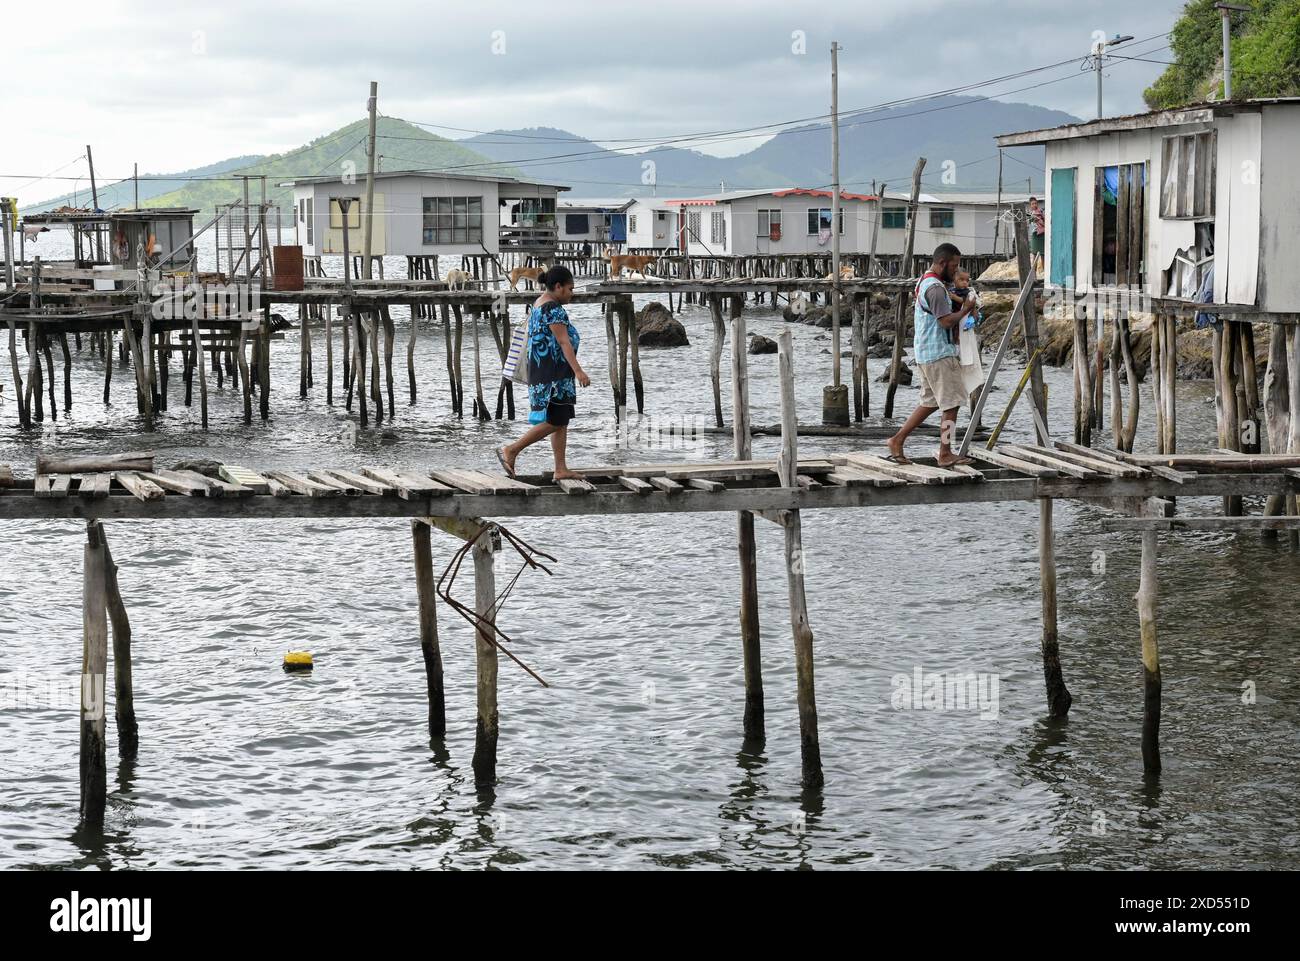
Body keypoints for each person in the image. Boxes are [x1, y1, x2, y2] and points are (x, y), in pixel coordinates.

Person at [886, 243, 980, 467]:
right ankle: (946, 452)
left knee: (930, 402)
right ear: (942, 263)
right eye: (954, 266)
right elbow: (945, 321)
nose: (956, 271)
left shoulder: (926, 281)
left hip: (926, 352)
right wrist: (966, 309)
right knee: (952, 404)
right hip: (939, 354)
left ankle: (897, 440)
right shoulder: (935, 288)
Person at [498, 265, 591, 481]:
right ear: (558, 287)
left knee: (561, 418)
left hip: (548, 371)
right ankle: (512, 449)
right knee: (556, 420)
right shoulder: (553, 309)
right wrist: (579, 371)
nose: (572, 293)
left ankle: (560, 468)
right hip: (554, 375)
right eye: (570, 289)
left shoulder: (540, 303)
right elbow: (563, 341)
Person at [950, 268, 985, 428]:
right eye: (961, 280)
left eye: (967, 280)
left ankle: (972, 422)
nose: (965, 283)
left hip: (965, 326)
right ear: (954, 280)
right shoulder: (949, 291)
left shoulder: (968, 292)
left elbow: (971, 303)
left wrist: (954, 297)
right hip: (955, 328)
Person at [1028, 197, 1045, 274]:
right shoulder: (1030, 214)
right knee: (1034, 254)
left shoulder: (1041, 212)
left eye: (1035, 203)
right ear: (1030, 205)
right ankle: (1033, 274)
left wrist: (1039, 220)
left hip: (1042, 234)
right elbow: (1028, 224)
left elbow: (1044, 222)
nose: (1034, 205)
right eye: (1032, 204)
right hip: (1035, 234)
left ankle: (1045, 272)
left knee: (1043, 254)